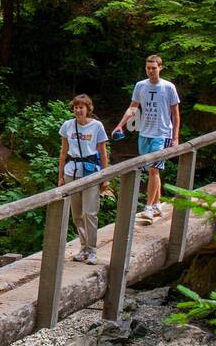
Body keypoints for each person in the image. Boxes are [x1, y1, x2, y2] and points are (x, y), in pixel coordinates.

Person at [111, 54, 181, 224]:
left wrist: (175, 137)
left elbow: (175, 114)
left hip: (162, 133)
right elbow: (132, 109)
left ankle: (148, 208)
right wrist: (120, 125)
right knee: (151, 169)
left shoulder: (168, 87)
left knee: (153, 170)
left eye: (154, 68)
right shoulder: (140, 86)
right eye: (148, 68)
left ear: (160, 68)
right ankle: (157, 204)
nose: (151, 71)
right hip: (144, 132)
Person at [58, 94, 111, 263]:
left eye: (81, 107)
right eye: (76, 107)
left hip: (91, 173)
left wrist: (105, 176)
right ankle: (83, 247)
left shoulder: (97, 126)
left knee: (90, 212)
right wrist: (60, 176)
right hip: (71, 172)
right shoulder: (68, 126)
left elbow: (103, 153)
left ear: (88, 109)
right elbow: (63, 152)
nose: (78, 110)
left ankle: (93, 249)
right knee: (77, 215)